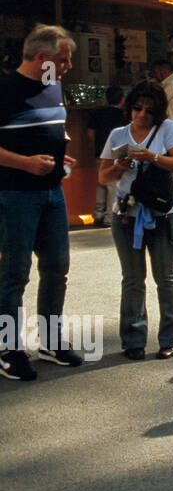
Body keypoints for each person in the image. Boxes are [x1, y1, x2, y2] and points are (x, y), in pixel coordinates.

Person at [0, 24, 81, 380]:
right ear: (40, 58)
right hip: (15, 194)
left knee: (56, 269)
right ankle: (7, 349)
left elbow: (55, 128)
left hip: (52, 193)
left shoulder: (52, 86)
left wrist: (62, 153)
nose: (67, 66)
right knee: (14, 275)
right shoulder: (5, 90)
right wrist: (26, 163)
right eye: (62, 60)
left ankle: (50, 340)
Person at [98, 80, 173, 359]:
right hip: (126, 215)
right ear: (130, 107)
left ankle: (170, 338)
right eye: (137, 108)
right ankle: (133, 340)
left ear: (158, 112)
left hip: (163, 215)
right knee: (133, 279)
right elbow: (103, 177)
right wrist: (118, 166)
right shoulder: (117, 135)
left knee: (165, 276)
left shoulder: (168, 129)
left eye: (149, 111)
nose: (141, 115)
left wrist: (152, 156)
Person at [88, 85, 126, 227]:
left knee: (101, 183)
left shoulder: (97, 113)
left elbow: (91, 134)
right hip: (115, 154)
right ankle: (109, 217)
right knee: (112, 186)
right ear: (122, 100)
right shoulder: (123, 116)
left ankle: (98, 214)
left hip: (99, 152)